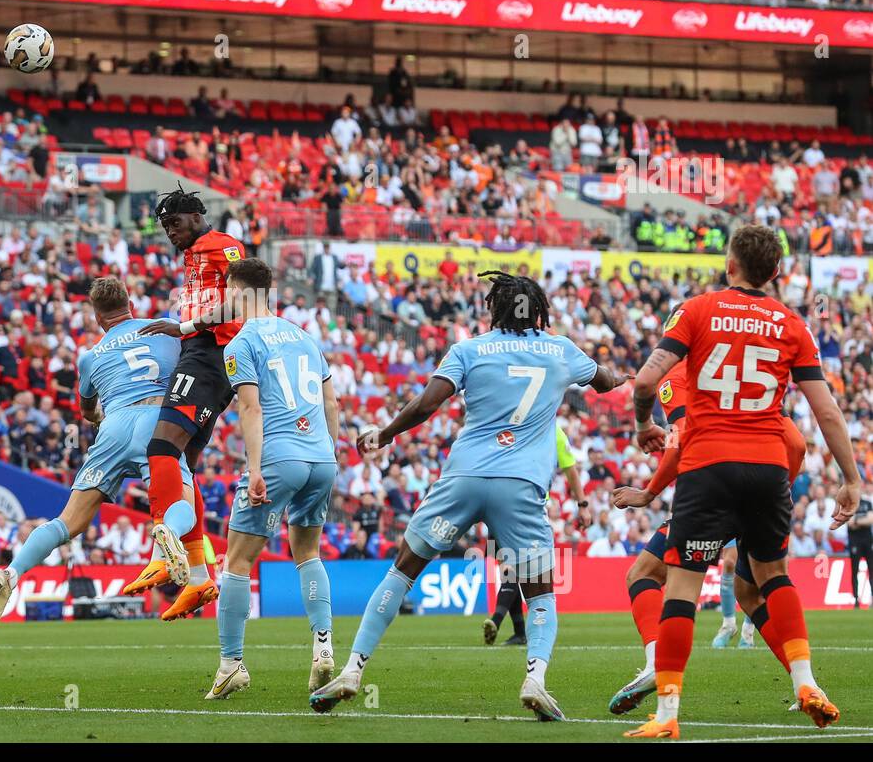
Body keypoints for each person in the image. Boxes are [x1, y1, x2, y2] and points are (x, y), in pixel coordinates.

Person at [311, 272, 628, 718]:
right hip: (521, 487)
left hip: (463, 478)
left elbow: (426, 405)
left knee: (402, 571)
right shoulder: (562, 350)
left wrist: (383, 435)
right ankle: (535, 680)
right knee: (538, 593)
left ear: (492, 308)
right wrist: (623, 378)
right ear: (537, 310)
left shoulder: (470, 350)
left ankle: (352, 670)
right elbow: (606, 379)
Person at [624, 224, 860, 739]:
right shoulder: (793, 323)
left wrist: (645, 422)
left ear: (730, 264)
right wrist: (851, 479)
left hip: (708, 465)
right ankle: (806, 683)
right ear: (776, 272)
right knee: (773, 578)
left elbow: (645, 380)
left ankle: (666, 715)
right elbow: (825, 410)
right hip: (770, 468)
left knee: (682, 586)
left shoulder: (698, 309)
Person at [0, 277, 193, 629]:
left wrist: (97, 418)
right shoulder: (165, 332)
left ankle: (11, 573)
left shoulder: (90, 357)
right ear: (130, 303)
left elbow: (87, 409)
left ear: (96, 317)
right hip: (157, 420)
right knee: (183, 499)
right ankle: (167, 531)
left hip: (113, 427)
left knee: (68, 522)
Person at [609, 352, 808, 715]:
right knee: (752, 592)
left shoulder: (677, 375)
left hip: (712, 493)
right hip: (765, 490)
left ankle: (660, 674)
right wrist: (783, 489)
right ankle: (805, 684)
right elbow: (796, 444)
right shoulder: (740, 370)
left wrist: (649, 493)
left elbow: (681, 437)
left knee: (646, 574)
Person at [207, 258, 339, 700]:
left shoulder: (241, 343)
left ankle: (231, 665)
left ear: (238, 291)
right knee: (308, 553)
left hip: (280, 457)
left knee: (237, 561)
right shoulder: (305, 337)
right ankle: (323, 646)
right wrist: (330, 452)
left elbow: (251, 409)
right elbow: (330, 403)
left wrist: (256, 467)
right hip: (321, 458)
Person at [121, 183, 246, 620]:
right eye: (165, 227)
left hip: (211, 354)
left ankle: (163, 546)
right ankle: (197, 579)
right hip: (201, 352)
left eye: (174, 224)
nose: (170, 234)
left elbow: (243, 300)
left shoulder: (224, 246)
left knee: (161, 449)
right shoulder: (193, 254)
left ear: (196, 216)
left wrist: (185, 325)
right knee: (185, 469)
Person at [485, 423, 586, 647]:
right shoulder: (511, 424)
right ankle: (519, 631)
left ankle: (497, 620)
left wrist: (583, 503)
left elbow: (570, 468)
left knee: (513, 571)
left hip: (525, 510)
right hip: (498, 507)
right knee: (507, 573)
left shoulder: (554, 432)